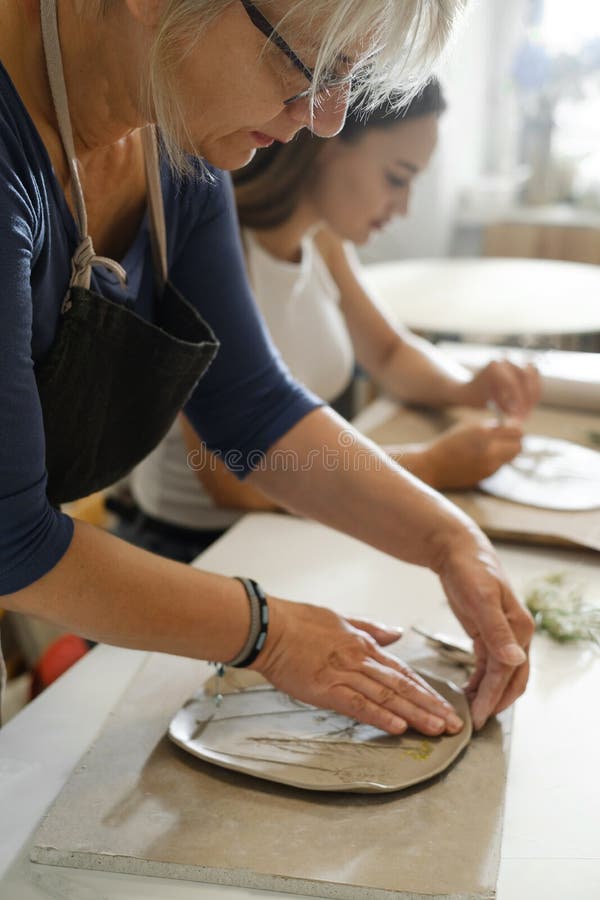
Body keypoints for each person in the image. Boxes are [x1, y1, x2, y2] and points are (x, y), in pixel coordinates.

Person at [0, 0, 534, 738]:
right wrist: (270, 633)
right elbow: (12, 542)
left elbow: (253, 411)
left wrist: (448, 538)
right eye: (308, 67)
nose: (326, 121)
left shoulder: (171, 130)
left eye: (350, 80)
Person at [130, 79, 539, 553]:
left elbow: (388, 352)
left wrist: (468, 386)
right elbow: (234, 481)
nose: (403, 208)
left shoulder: (322, 238)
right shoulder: (214, 249)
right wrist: (428, 466)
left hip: (294, 525)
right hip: (201, 548)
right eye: (396, 178)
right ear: (327, 141)